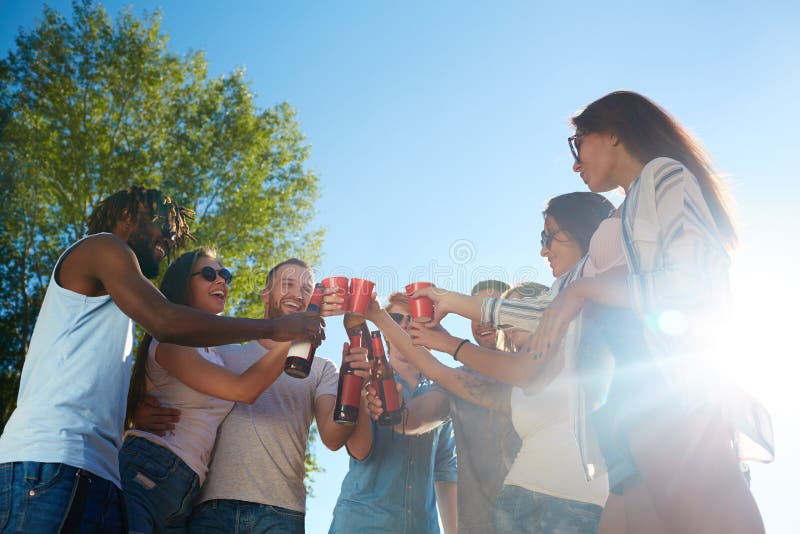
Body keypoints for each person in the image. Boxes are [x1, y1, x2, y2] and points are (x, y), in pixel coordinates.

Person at [0, 187, 322, 532]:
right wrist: (279, 327)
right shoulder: (103, 247)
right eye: (164, 225)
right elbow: (166, 322)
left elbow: (97, 375)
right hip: (52, 458)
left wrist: (131, 407)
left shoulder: (121, 309)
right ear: (128, 216)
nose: (170, 238)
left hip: (100, 469)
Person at [135, 258, 366, 533]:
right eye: (287, 284)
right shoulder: (220, 354)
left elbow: (333, 437)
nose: (297, 293)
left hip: (283, 511)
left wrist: (356, 381)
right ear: (265, 294)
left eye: (307, 289)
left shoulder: (322, 368)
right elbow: (166, 383)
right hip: (210, 507)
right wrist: (134, 409)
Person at [120, 248, 299, 532]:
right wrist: (293, 338)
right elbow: (244, 389)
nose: (221, 282)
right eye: (208, 274)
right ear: (182, 284)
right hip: (152, 468)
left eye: (224, 275)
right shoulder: (172, 341)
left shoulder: (215, 353)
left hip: (186, 488)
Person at [356, 279, 519, 534]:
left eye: (493, 309)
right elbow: (420, 414)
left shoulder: (536, 367)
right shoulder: (452, 381)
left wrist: (444, 339)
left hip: (550, 518)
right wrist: (399, 411)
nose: (483, 320)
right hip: (482, 525)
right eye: (477, 310)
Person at [329, 292, 458, 534]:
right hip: (361, 524)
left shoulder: (441, 390)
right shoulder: (365, 375)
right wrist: (359, 387)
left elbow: (445, 469)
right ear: (384, 329)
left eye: (414, 319)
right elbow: (359, 451)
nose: (406, 324)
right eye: (396, 318)